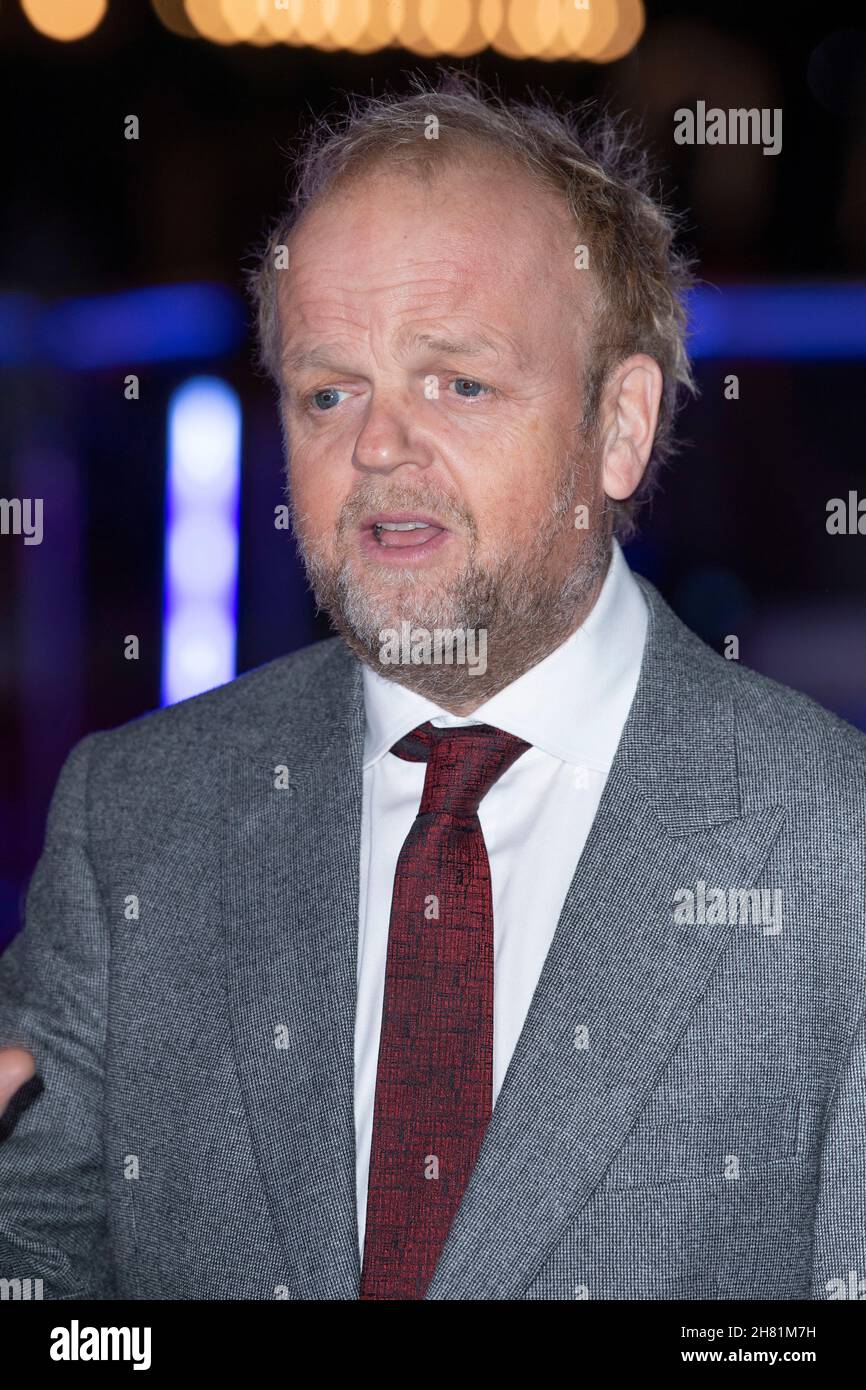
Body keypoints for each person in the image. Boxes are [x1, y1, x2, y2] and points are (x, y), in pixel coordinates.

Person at [1, 72, 864, 1302]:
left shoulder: (833, 849)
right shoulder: (133, 818)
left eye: (456, 383)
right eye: (328, 390)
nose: (376, 447)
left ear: (618, 427)